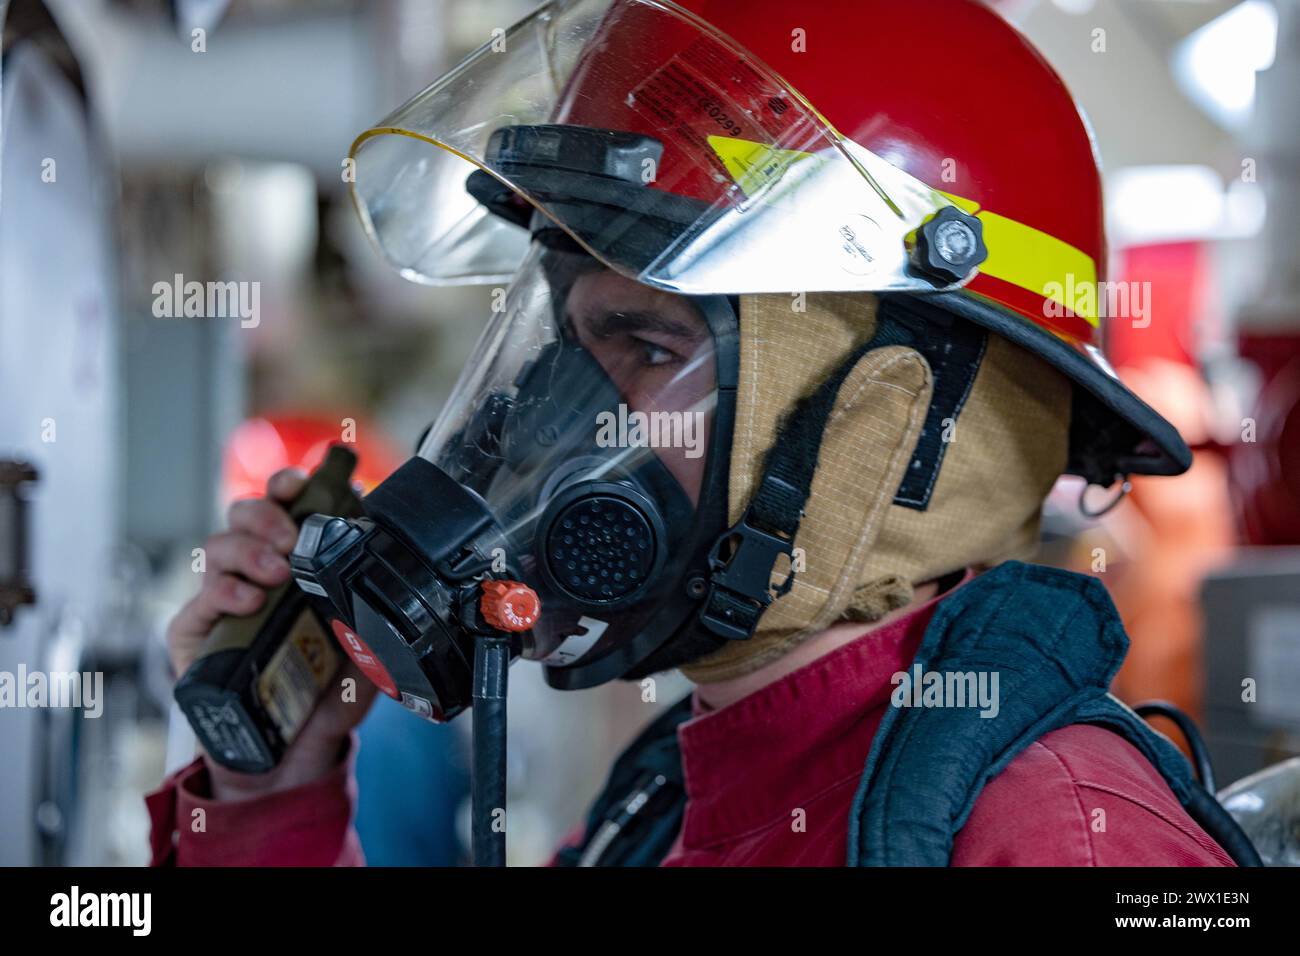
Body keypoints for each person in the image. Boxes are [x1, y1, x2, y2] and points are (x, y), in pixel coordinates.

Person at [147, 0, 1255, 867]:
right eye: (558, 345)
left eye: (642, 343)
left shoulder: (1051, 830)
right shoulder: (679, 792)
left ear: (889, 429)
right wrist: (268, 795)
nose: (552, 420)